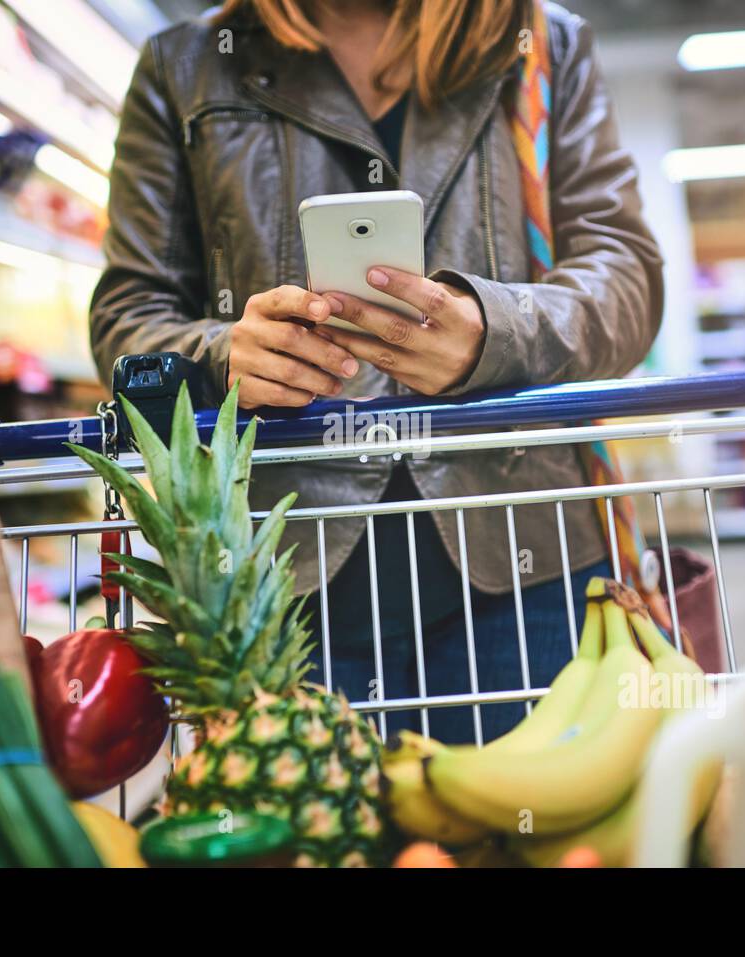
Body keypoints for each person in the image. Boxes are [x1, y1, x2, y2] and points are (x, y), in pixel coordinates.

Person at [90, 0, 663, 742]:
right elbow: (127, 316)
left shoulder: (540, 42)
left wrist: (494, 329)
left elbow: (628, 279)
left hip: (530, 573)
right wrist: (224, 356)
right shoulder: (185, 69)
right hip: (278, 589)